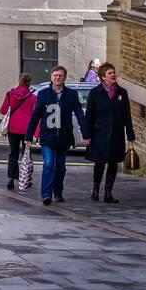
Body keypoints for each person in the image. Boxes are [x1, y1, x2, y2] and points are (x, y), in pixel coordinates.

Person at [26, 65, 88, 205]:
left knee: (60, 166)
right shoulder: (43, 94)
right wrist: (28, 136)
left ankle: (58, 191)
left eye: (60, 75)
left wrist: (85, 132)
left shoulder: (71, 94)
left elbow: (79, 113)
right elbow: (35, 115)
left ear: (64, 77)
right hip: (47, 136)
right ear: (51, 77)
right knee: (48, 164)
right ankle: (46, 194)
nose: (57, 78)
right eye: (55, 75)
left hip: (64, 137)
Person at [83, 63, 135, 203]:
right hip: (99, 134)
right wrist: (86, 134)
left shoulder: (121, 93)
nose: (113, 75)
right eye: (109, 73)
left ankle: (108, 192)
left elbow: (127, 115)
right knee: (99, 163)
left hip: (116, 134)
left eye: (113, 72)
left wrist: (130, 135)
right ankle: (95, 189)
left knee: (113, 164)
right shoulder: (95, 93)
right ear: (102, 77)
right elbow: (89, 115)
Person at [0, 72, 37, 190]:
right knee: (27, 154)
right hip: (27, 130)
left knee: (13, 153)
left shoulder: (10, 94)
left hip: (13, 128)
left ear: (19, 81)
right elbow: (35, 114)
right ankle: (27, 178)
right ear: (29, 82)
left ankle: (11, 178)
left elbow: (3, 110)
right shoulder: (32, 97)